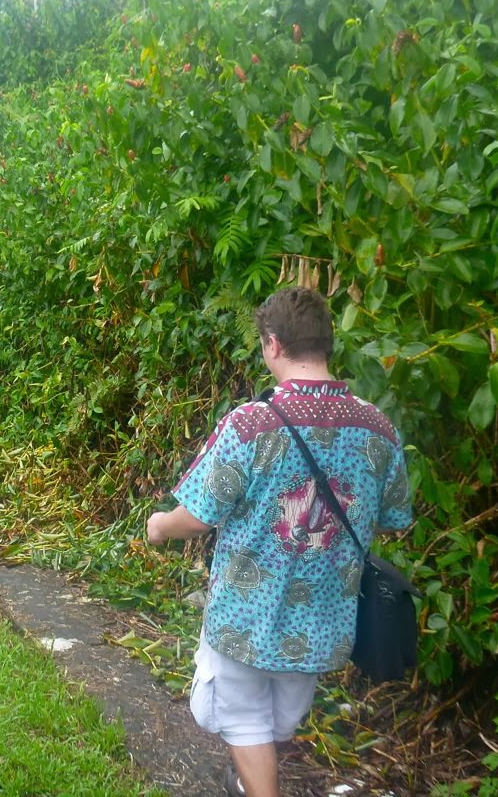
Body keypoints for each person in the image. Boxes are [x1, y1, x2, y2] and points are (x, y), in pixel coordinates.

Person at [145, 287, 412, 797]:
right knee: (276, 723)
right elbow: (395, 517)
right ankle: (250, 781)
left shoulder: (252, 425)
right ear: (327, 345)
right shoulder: (379, 428)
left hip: (246, 614)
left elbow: (197, 517)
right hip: (324, 617)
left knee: (243, 720)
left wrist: (160, 524)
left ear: (272, 344)